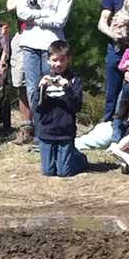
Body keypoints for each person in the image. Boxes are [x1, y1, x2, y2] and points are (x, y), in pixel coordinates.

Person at [15, 0, 75, 131]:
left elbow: (61, 20)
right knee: (33, 89)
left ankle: (52, 127)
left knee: (52, 87)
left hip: (52, 44)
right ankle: (40, 128)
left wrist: (36, 16)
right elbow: (21, 12)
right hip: (30, 41)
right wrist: (45, 14)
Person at [5, 0, 46, 141]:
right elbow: (10, 5)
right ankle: (26, 126)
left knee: (46, 83)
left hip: (47, 36)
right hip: (23, 35)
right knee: (22, 81)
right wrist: (27, 2)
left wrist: (25, 2)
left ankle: (44, 127)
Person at [35, 40, 86, 176]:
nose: (58, 64)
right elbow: (37, 107)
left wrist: (67, 88)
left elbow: (77, 106)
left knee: (64, 172)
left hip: (65, 131)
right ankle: (63, 157)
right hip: (47, 130)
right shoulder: (43, 78)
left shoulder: (74, 80)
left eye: (62, 60)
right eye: (54, 60)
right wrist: (41, 89)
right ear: (48, 60)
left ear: (68, 59)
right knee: (48, 172)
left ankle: (79, 158)